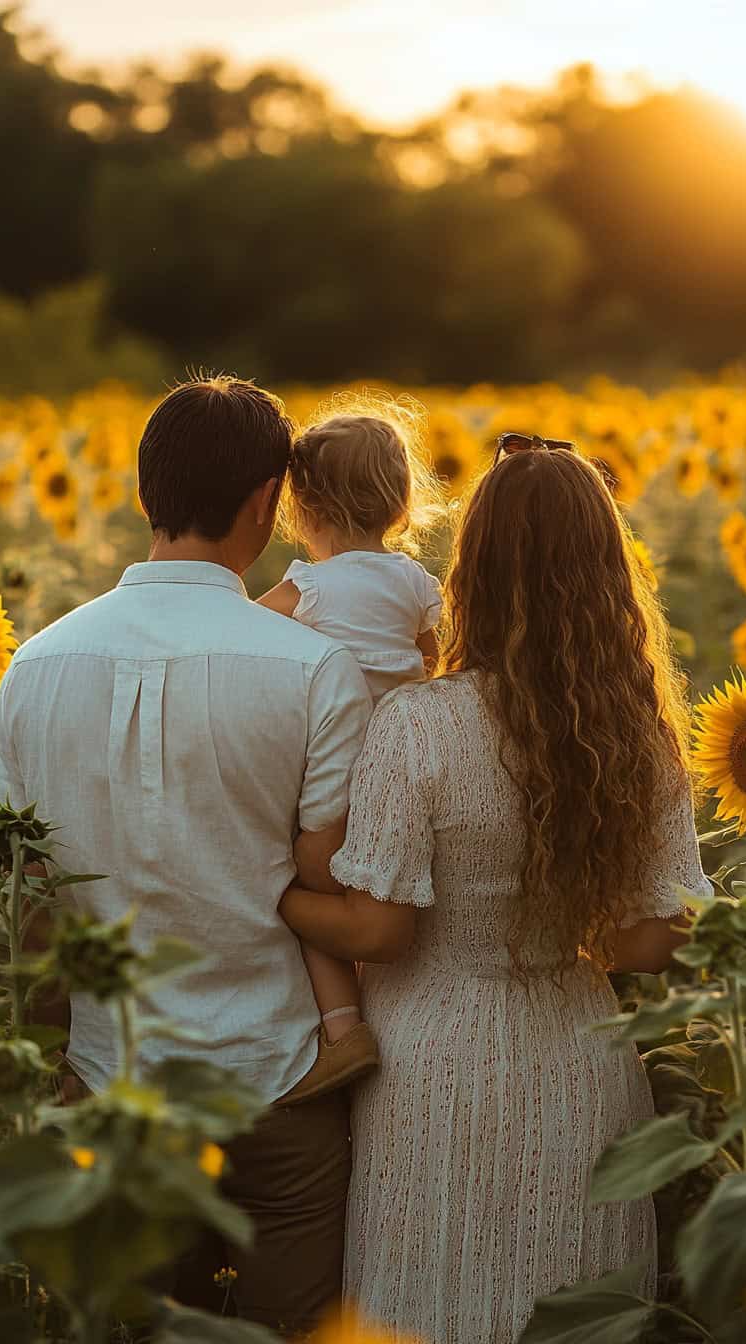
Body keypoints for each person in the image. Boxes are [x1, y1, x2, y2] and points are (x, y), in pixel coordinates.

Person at [279, 438, 712, 1344]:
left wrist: (274, 894)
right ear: (608, 573)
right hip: (579, 1065)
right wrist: (560, 913)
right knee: (577, 1316)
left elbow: (380, 931)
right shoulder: (640, 737)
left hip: (429, 1073)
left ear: (472, 566)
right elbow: (651, 940)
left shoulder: (420, 726)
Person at [0, 375, 378, 1334]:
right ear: (263, 504)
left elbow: (18, 897)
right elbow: (338, 875)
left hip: (115, 1084)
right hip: (282, 1078)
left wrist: (52, 1056)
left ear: (141, 493)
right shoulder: (313, 668)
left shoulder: (33, 669)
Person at [258, 406, 444, 1104]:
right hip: (403, 778)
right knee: (372, 887)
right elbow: (437, 665)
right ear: (400, 504)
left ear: (302, 507)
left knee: (303, 875)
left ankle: (341, 1029)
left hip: (333, 778)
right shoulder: (415, 583)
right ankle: (359, 1014)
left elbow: (242, 633)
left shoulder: (308, 586)